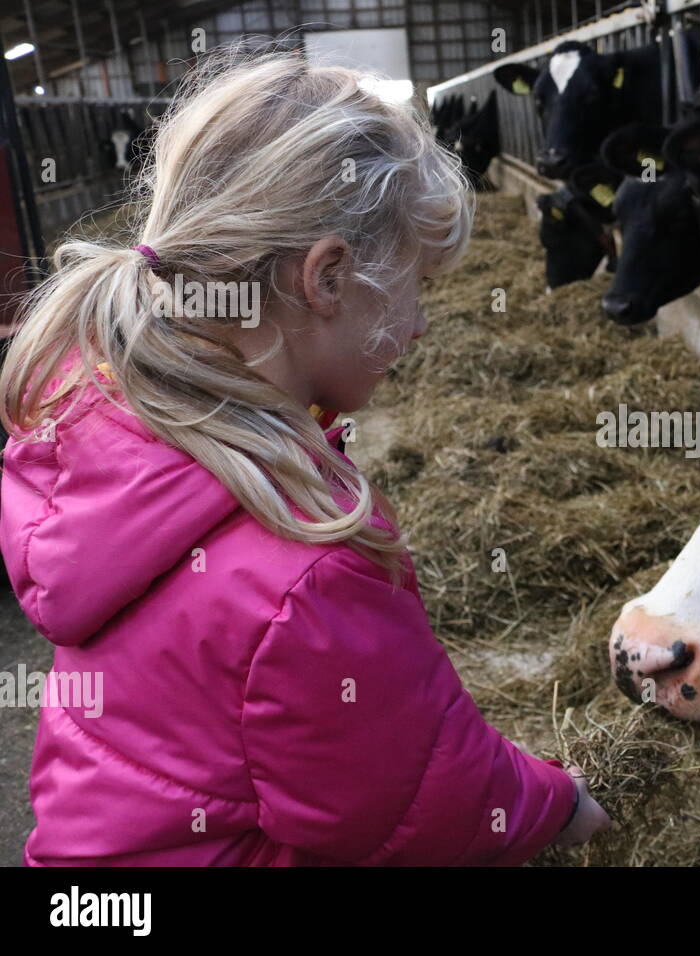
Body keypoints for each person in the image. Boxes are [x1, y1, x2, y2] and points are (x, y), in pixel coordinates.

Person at [0, 49, 609, 866]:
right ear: (327, 279)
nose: (421, 324)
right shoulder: (305, 568)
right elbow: (425, 804)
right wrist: (558, 802)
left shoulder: (111, 428)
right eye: (415, 285)